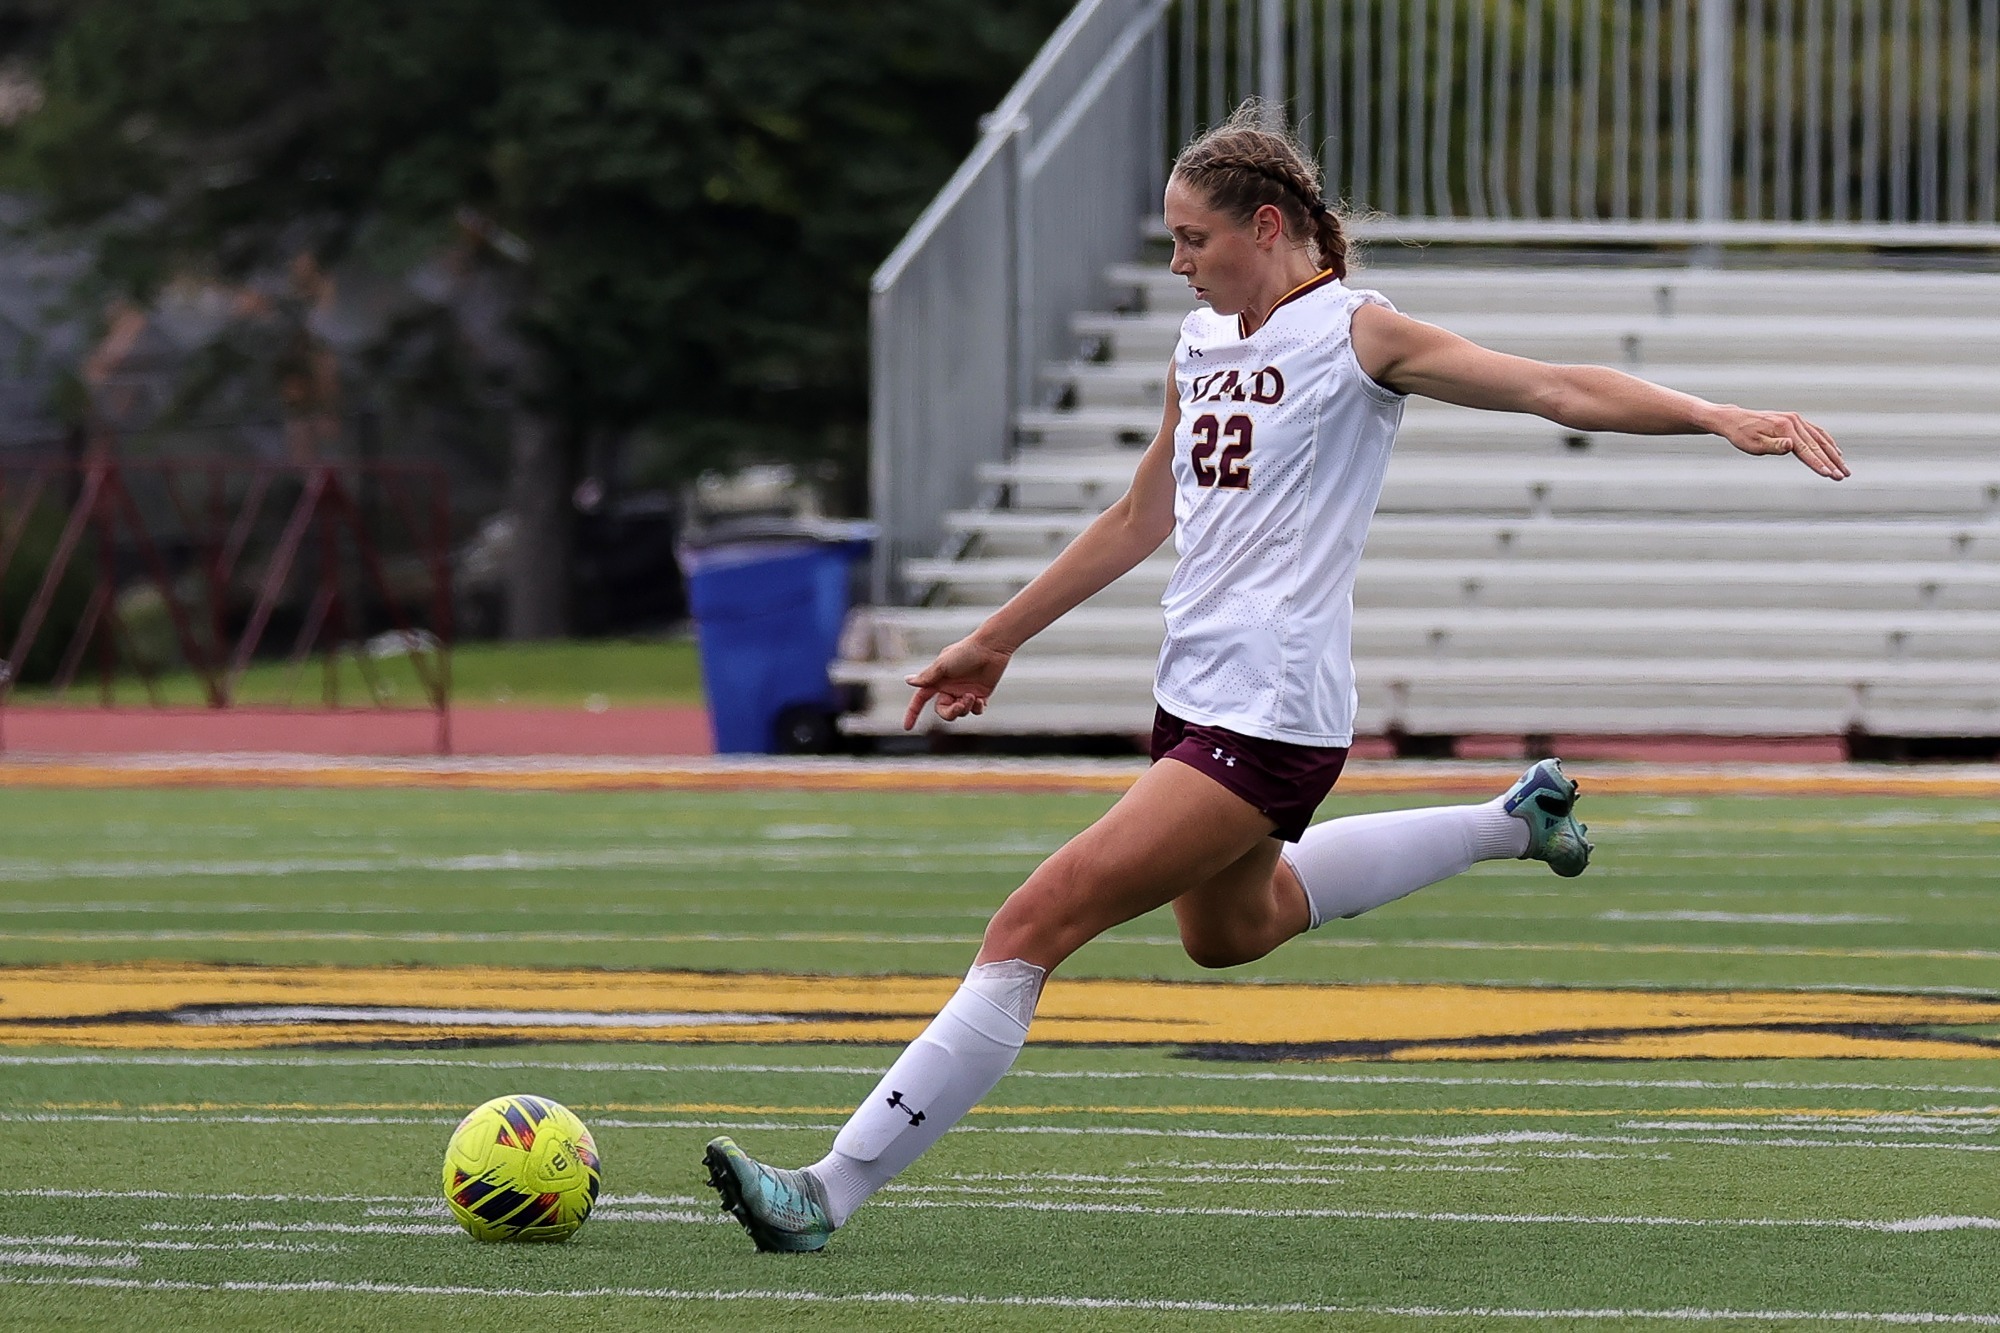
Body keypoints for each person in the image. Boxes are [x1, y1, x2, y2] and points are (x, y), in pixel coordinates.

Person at [701, 102, 1848, 1252]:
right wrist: (999, 634)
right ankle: (1515, 822)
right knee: (1229, 930)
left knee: (1029, 925)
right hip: (1194, 694)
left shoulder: (1357, 333)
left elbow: (1548, 386)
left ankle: (827, 1188)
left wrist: (1709, 414)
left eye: (1192, 239)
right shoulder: (1199, 347)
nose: (1176, 262)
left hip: (1272, 707)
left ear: (1265, 223)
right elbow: (1138, 513)